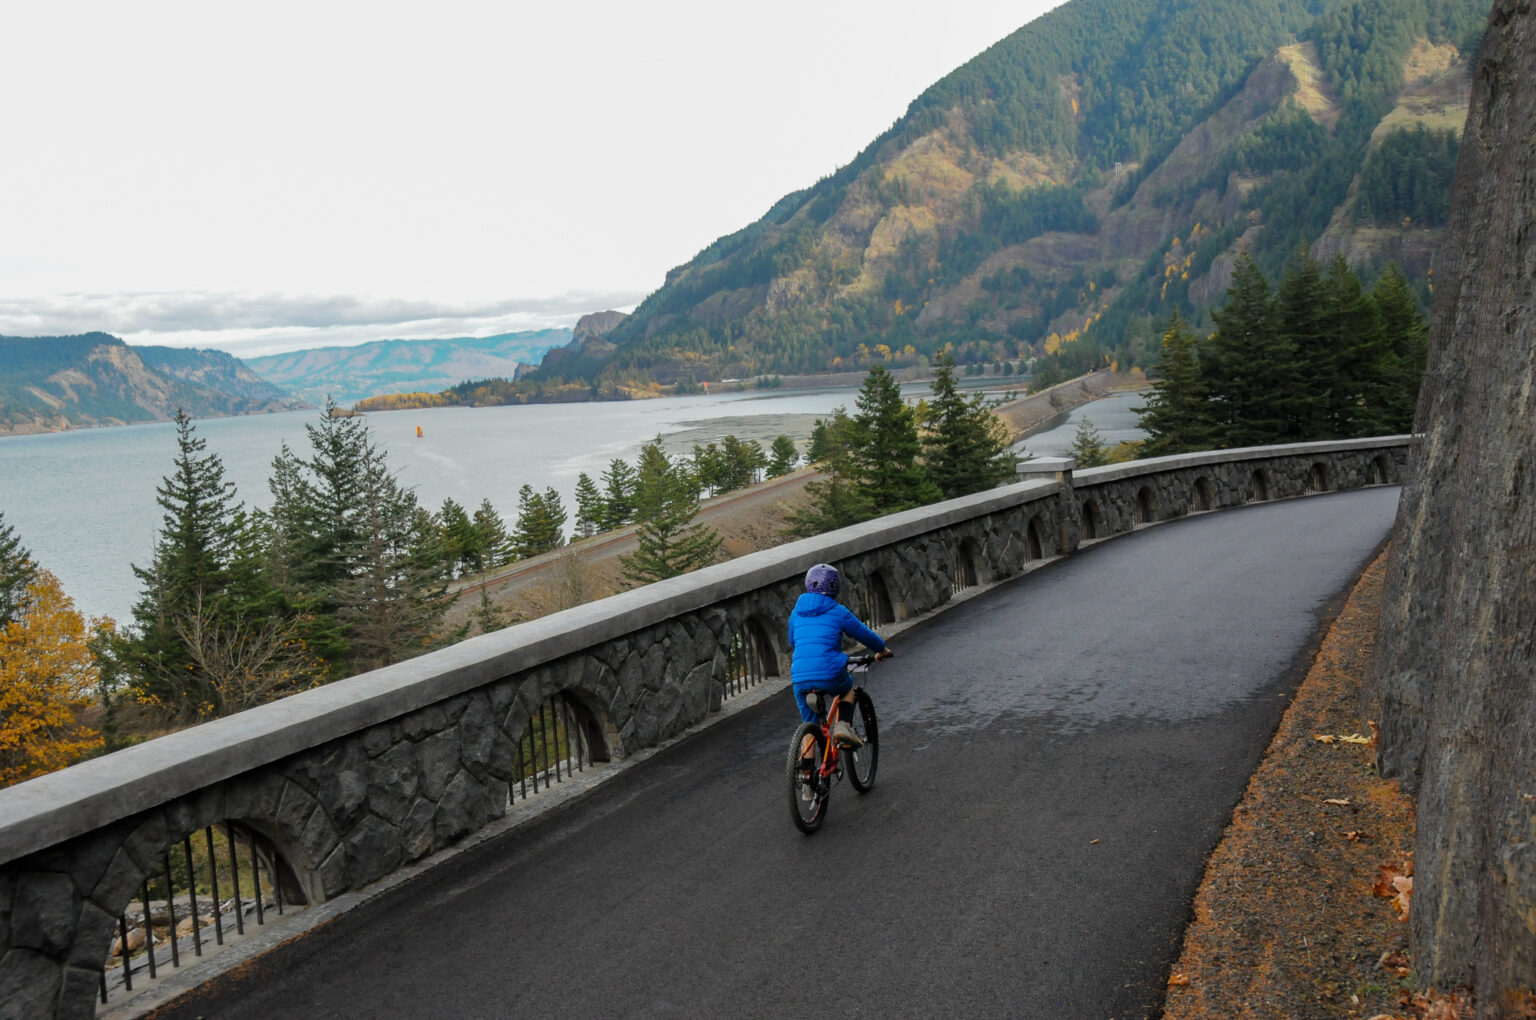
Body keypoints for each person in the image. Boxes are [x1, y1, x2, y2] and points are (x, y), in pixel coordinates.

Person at [787, 563, 892, 748]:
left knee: (810, 725)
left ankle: (805, 771)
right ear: (835, 587)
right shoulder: (838, 611)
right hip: (829, 672)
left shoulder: (796, 613)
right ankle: (843, 725)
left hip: (800, 676)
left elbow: (793, 642)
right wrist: (881, 649)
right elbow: (863, 633)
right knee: (847, 688)